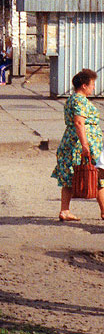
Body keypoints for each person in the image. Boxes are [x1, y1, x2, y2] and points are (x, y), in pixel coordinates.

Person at [52, 68, 103, 222]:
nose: (94, 87)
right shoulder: (79, 100)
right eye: (92, 84)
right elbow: (79, 122)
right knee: (98, 176)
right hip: (79, 144)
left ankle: (65, 210)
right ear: (83, 86)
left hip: (72, 142)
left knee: (70, 177)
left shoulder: (73, 99)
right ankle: (103, 212)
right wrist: (85, 145)